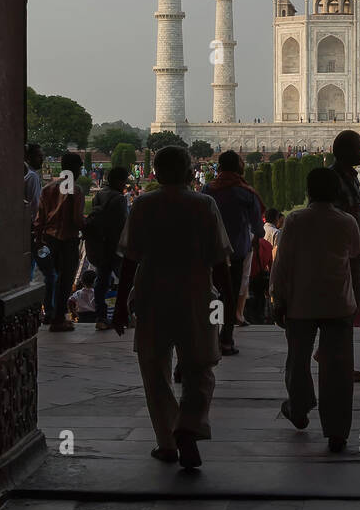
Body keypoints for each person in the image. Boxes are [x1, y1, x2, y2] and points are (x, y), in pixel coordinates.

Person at [112, 146, 235, 469]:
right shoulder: (203, 204)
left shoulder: (143, 204)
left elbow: (130, 259)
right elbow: (220, 261)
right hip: (197, 294)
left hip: (152, 293)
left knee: (155, 370)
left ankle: (167, 441)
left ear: (155, 172)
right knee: (200, 366)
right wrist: (230, 303)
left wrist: (121, 307)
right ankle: (189, 427)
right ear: (189, 172)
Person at [271, 168, 360, 453]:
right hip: (337, 302)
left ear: (308, 191)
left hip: (302, 301)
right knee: (338, 367)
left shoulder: (297, 220)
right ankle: (337, 431)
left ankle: (298, 408)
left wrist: (278, 299)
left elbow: (282, 263)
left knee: (297, 360)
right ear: (337, 193)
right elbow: (356, 251)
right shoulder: (346, 221)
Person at [202, 151, 264, 331]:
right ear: (240, 168)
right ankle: (227, 337)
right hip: (237, 251)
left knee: (214, 291)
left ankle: (214, 331)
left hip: (213, 250)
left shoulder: (208, 190)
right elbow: (258, 228)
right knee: (231, 292)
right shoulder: (246, 192)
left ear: (219, 167)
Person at [328, 131, 360, 382]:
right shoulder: (335, 178)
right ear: (346, 151)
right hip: (341, 254)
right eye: (358, 147)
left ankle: (332, 354)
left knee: (348, 310)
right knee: (343, 310)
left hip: (353, 251)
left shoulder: (349, 176)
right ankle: (341, 363)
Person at [33, 151, 86, 332]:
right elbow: (76, 220)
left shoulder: (48, 188)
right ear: (76, 169)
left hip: (48, 239)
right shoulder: (75, 190)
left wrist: (39, 240)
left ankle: (49, 313)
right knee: (65, 280)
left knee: (51, 278)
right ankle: (58, 318)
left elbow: (39, 219)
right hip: (67, 240)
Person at [83, 165, 129, 331]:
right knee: (126, 283)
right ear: (119, 181)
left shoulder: (99, 195)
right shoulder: (119, 199)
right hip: (114, 248)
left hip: (99, 246)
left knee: (101, 282)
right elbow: (121, 226)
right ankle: (125, 316)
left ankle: (101, 317)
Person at [24, 142, 43, 282]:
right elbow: (36, 206)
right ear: (28, 157)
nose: (41, 159)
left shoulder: (27, 174)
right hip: (32, 227)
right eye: (38, 156)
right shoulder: (32, 177)